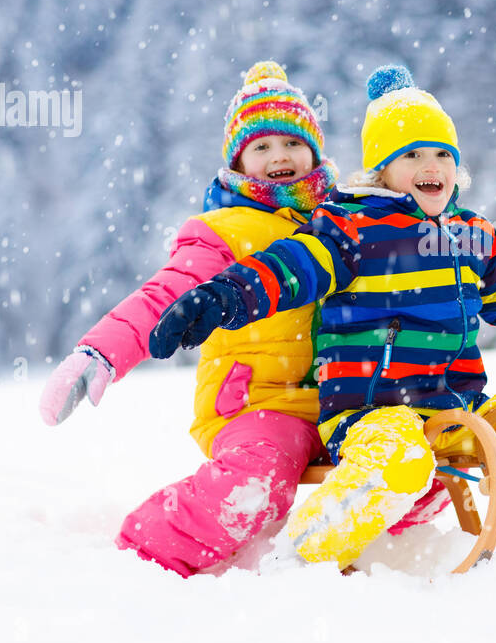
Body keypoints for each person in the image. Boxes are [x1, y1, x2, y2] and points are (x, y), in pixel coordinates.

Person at [149, 64, 496, 570]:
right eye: (412, 154)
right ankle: (306, 553)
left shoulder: (471, 235)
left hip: (456, 405)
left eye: (443, 154)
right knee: (398, 462)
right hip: (370, 411)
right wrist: (220, 298)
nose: (431, 165)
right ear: (382, 170)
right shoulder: (351, 226)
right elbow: (287, 270)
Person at [38, 60, 340, 577]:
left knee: (406, 456)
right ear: (239, 162)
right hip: (256, 403)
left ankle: (370, 551)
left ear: (313, 149)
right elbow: (165, 294)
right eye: (261, 147)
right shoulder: (222, 230)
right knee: (258, 481)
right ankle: (144, 553)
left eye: (291, 143)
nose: (279, 158)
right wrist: (101, 353)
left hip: (344, 398)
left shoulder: (343, 221)